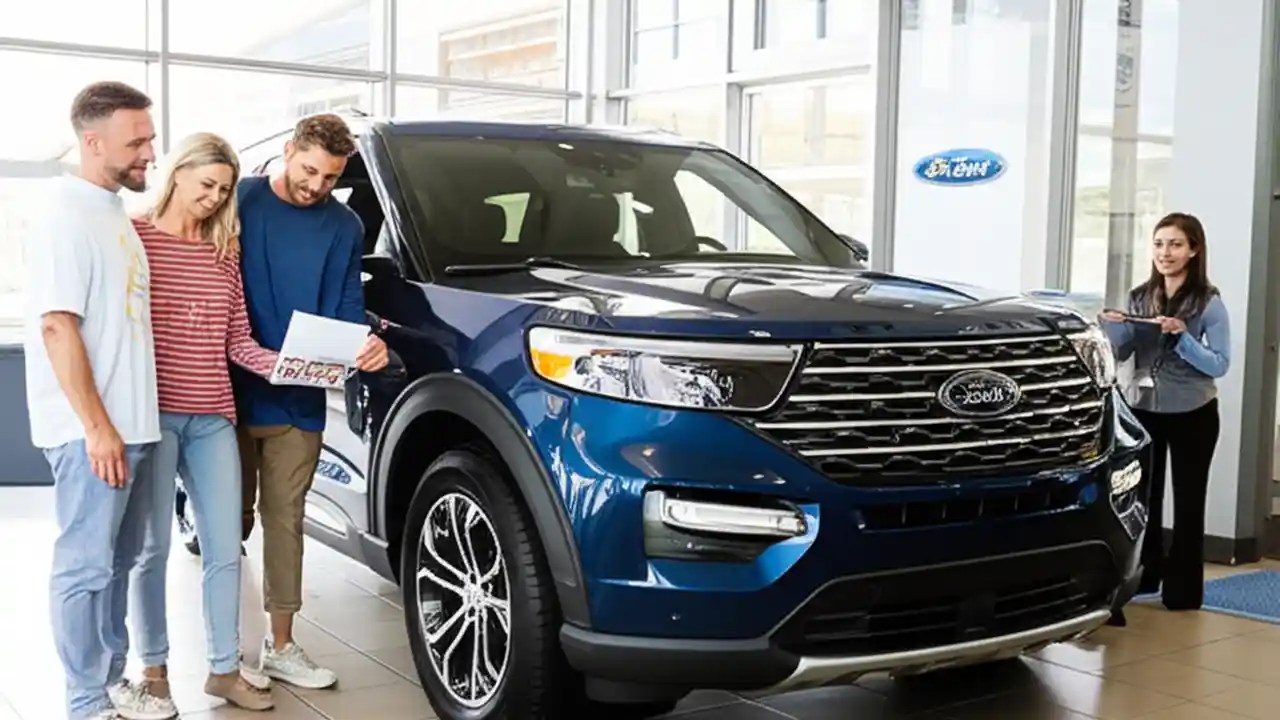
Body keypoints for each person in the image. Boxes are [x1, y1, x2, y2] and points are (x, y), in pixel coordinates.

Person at [22, 81, 172, 720]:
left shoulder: (113, 211)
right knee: (84, 570)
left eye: (150, 137)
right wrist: (97, 426)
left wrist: (129, 425)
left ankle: (110, 682)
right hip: (94, 432)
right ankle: (85, 702)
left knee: (115, 564)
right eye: (136, 141)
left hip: (134, 425)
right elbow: (58, 325)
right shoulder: (62, 213)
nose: (150, 152)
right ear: (93, 141)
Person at [125, 132, 280, 712]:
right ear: (177, 173)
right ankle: (155, 671)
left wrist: (291, 366)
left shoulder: (224, 251)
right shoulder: (134, 238)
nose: (215, 198)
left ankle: (223, 670)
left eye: (224, 189)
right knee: (150, 550)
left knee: (225, 548)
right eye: (206, 184)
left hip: (213, 416)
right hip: (154, 416)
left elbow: (239, 342)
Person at [233, 113, 389, 688]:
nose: (316, 186)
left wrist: (365, 343)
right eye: (309, 170)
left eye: (330, 178)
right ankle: (230, 649)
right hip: (227, 394)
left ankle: (282, 644)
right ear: (287, 150)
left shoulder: (345, 225)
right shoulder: (241, 199)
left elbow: (347, 301)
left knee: (286, 521)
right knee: (230, 523)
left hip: (298, 398)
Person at [1100, 211, 1230, 619]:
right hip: (1144, 411)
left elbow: (1220, 363)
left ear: (1193, 250)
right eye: (1159, 244)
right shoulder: (1140, 295)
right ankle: (1146, 574)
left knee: (1189, 501)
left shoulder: (1209, 302)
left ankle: (1185, 591)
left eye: (1175, 244)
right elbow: (1123, 352)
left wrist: (1182, 337)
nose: (1165, 253)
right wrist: (1113, 328)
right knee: (1144, 498)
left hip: (1194, 412)